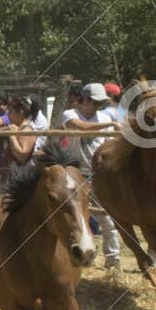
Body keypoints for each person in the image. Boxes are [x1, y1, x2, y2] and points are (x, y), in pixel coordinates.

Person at [59, 82, 123, 268]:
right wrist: (111, 124)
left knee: (106, 218)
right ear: (83, 99)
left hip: (98, 174)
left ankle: (113, 260)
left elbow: (110, 145)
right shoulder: (69, 115)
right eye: (94, 102)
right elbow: (81, 127)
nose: (97, 106)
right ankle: (73, 257)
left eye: (99, 103)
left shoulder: (103, 116)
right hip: (75, 174)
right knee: (73, 218)